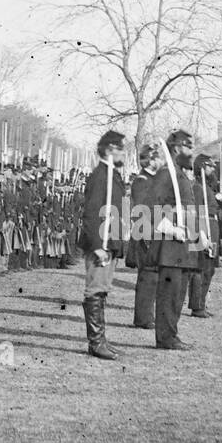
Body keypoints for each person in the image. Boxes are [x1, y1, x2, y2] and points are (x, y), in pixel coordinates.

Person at [149, 130, 206, 351]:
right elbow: (150, 209)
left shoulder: (180, 175)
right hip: (170, 246)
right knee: (169, 295)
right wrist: (172, 230)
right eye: (188, 147)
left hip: (184, 245)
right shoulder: (166, 174)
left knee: (178, 295)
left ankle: (171, 334)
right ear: (176, 149)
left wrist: (198, 234)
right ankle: (165, 338)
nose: (191, 152)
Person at [77, 129, 127, 360]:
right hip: (101, 242)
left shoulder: (112, 175)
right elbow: (91, 213)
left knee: (102, 290)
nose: (123, 153)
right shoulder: (101, 176)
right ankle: (96, 343)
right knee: (95, 290)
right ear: (110, 150)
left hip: (110, 239)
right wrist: (97, 245)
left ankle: (101, 340)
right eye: (120, 149)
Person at [129, 143, 159, 329]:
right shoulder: (142, 181)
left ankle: (147, 315)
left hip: (154, 232)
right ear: (149, 160)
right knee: (147, 276)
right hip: (145, 234)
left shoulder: (152, 180)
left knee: (152, 277)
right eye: (156, 158)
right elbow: (140, 209)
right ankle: (143, 318)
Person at [187, 154, 220, 318]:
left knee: (209, 268)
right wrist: (202, 234)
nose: (212, 169)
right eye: (209, 166)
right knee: (201, 268)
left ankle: (201, 303)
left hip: (211, 226)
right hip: (203, 227)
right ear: (201, 168)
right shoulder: (198, 188)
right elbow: (196, 212)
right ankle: (197, 306)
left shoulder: (206, 187)